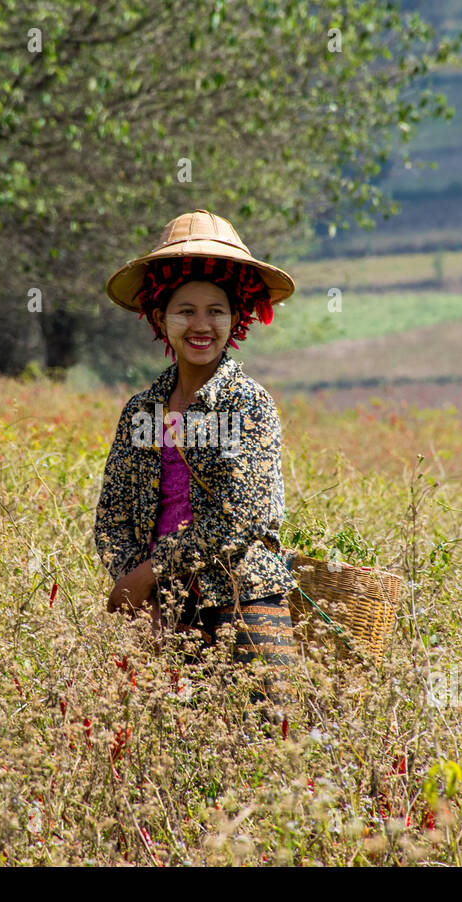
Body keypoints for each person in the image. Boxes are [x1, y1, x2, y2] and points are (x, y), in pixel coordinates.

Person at [94, 208, 300, 724]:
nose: (202, 324)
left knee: (266, 740)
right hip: (156, 609)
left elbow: (242, 518)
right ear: (160, 318)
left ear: (236, 319)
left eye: (216, 310)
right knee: (155, 747)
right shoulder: (142, 411)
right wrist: (139, 592)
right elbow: (113, 514)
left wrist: (148, 573)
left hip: (241, 595)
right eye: (185, 310)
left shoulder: (247, 404)